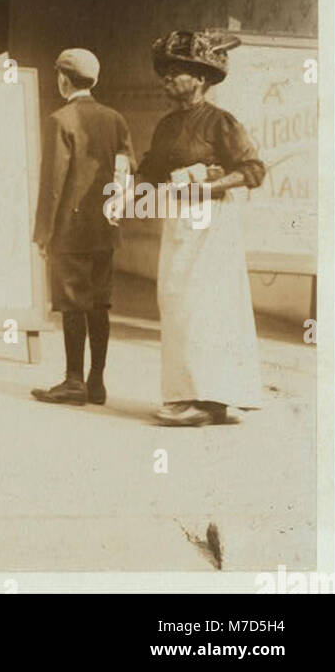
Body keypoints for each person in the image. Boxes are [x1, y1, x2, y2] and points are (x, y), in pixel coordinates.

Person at [138, 30, 265, 427]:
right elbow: (150, 173)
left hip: (212, 227)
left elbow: (252, 171)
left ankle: (209, 400)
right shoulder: (166, 126)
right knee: (177, 306)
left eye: (176, 73)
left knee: (206, 309)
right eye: (166, 73)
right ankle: (188, 393)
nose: (167, 80)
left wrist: (208, 185)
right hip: (179, 224)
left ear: (201, 79)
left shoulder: (220, 122)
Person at [32, 48, 135, 406]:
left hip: (70, 231)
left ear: (63, 79)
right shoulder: (116, 119)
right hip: (106, 229)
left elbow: (53, 183)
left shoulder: (60, 120)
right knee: (99, 305)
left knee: (72, 304)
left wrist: (43, 233)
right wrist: (113, 217)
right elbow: (125, 174)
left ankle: (72, 381)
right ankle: (96, 382)